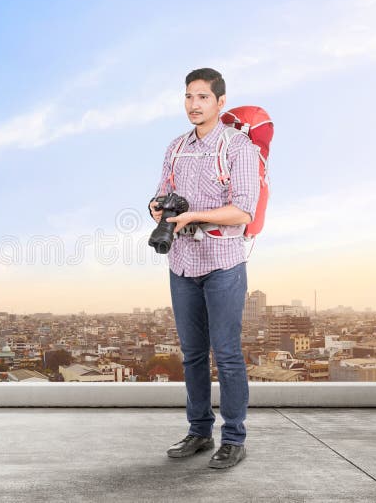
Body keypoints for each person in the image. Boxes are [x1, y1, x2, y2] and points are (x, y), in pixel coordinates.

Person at [149, 67, 260, 469]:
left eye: (203, 97)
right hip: (182, 262)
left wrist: (193, 214)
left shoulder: (238, 147)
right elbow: (162, 194)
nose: (194, 105)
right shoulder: (176, 147)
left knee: (227, 353)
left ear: (220, 102)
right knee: (192, 354)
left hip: (223, 263)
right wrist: (157, 208)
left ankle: (233, 438)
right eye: (189, 97)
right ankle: (199, 431)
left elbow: (243, 210)